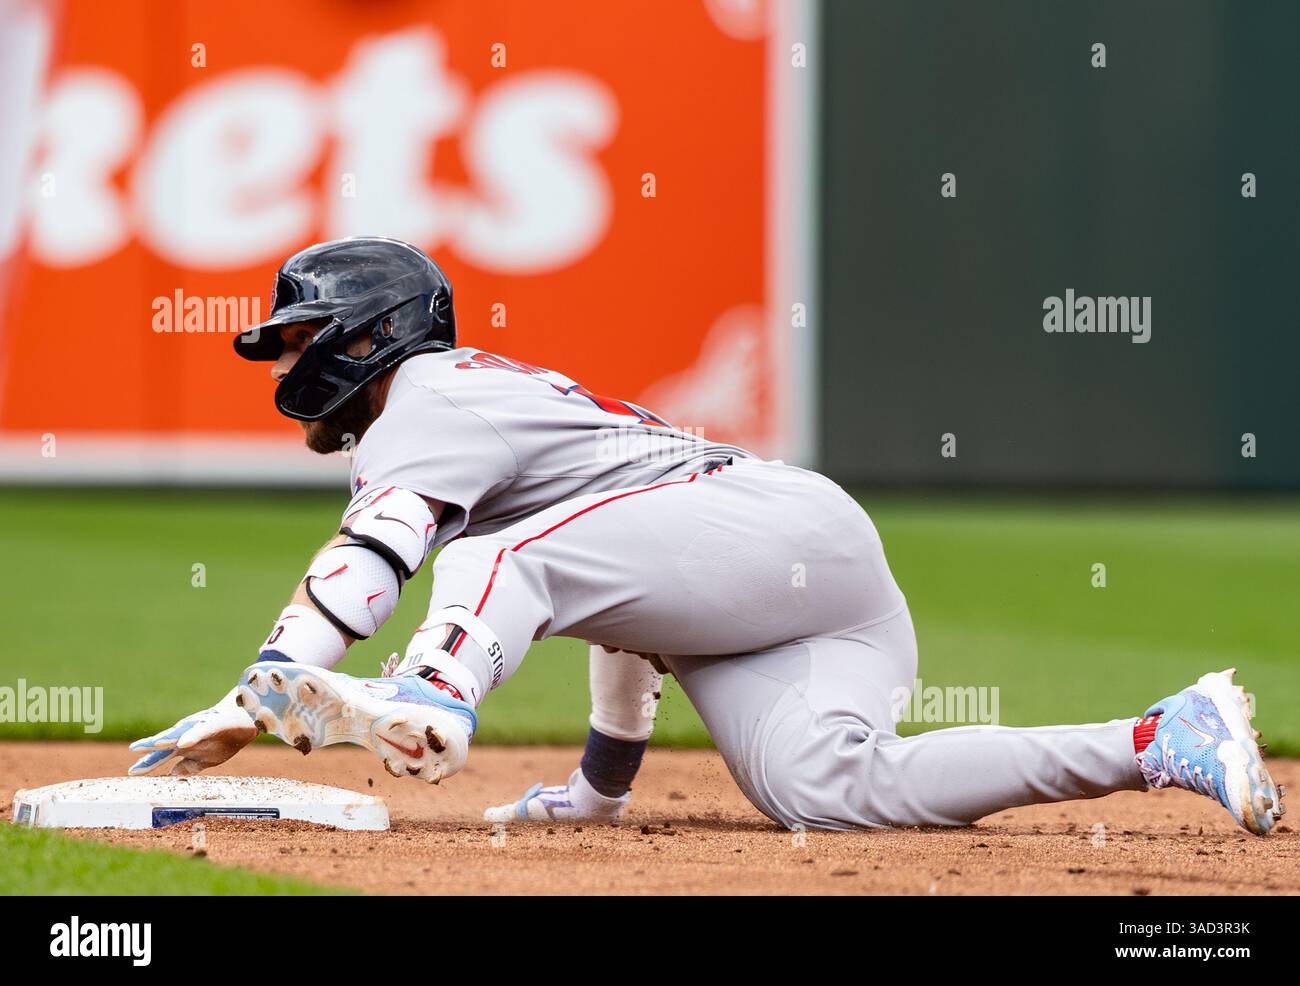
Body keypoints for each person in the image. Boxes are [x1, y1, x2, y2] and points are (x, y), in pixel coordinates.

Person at [129, 237, 1285, 836]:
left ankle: (433, 696)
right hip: (796, 586)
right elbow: (626, 594)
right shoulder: (464, 408)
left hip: (768, 526)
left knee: (496, 559)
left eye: (298, 337)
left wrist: (265, 685)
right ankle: (1159, 735)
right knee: (825, 792)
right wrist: (600, 788)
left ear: (370, 333)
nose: (284, 363)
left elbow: (373, 556)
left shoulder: (427, 392)